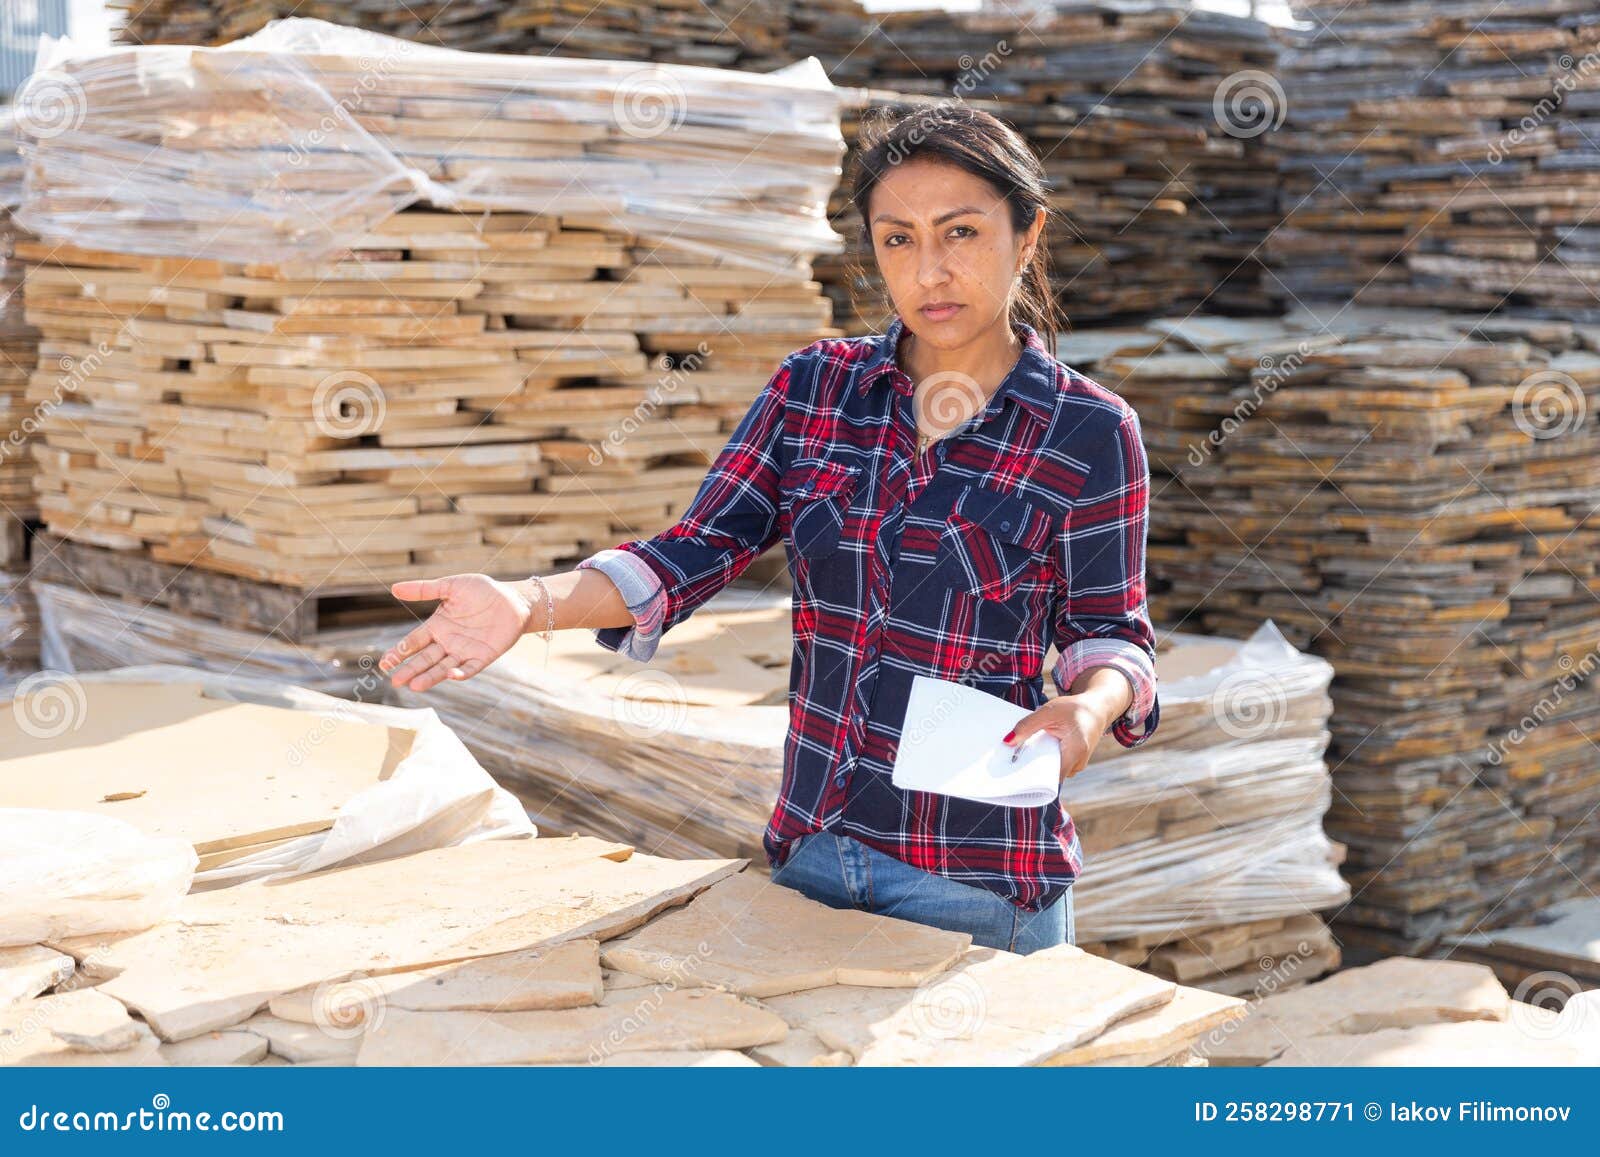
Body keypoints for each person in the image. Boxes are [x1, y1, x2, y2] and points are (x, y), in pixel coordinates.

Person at [378, 104, 1160, 955]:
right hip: (814, 859)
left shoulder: (1088, 430)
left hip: (981, 883)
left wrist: (1090, 705)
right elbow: (695, 550)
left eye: (960, 232)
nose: (930, 270)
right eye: (897, 240)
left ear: (1028, 234)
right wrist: (528, 603)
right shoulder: (814, 390)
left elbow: (1110, 633)